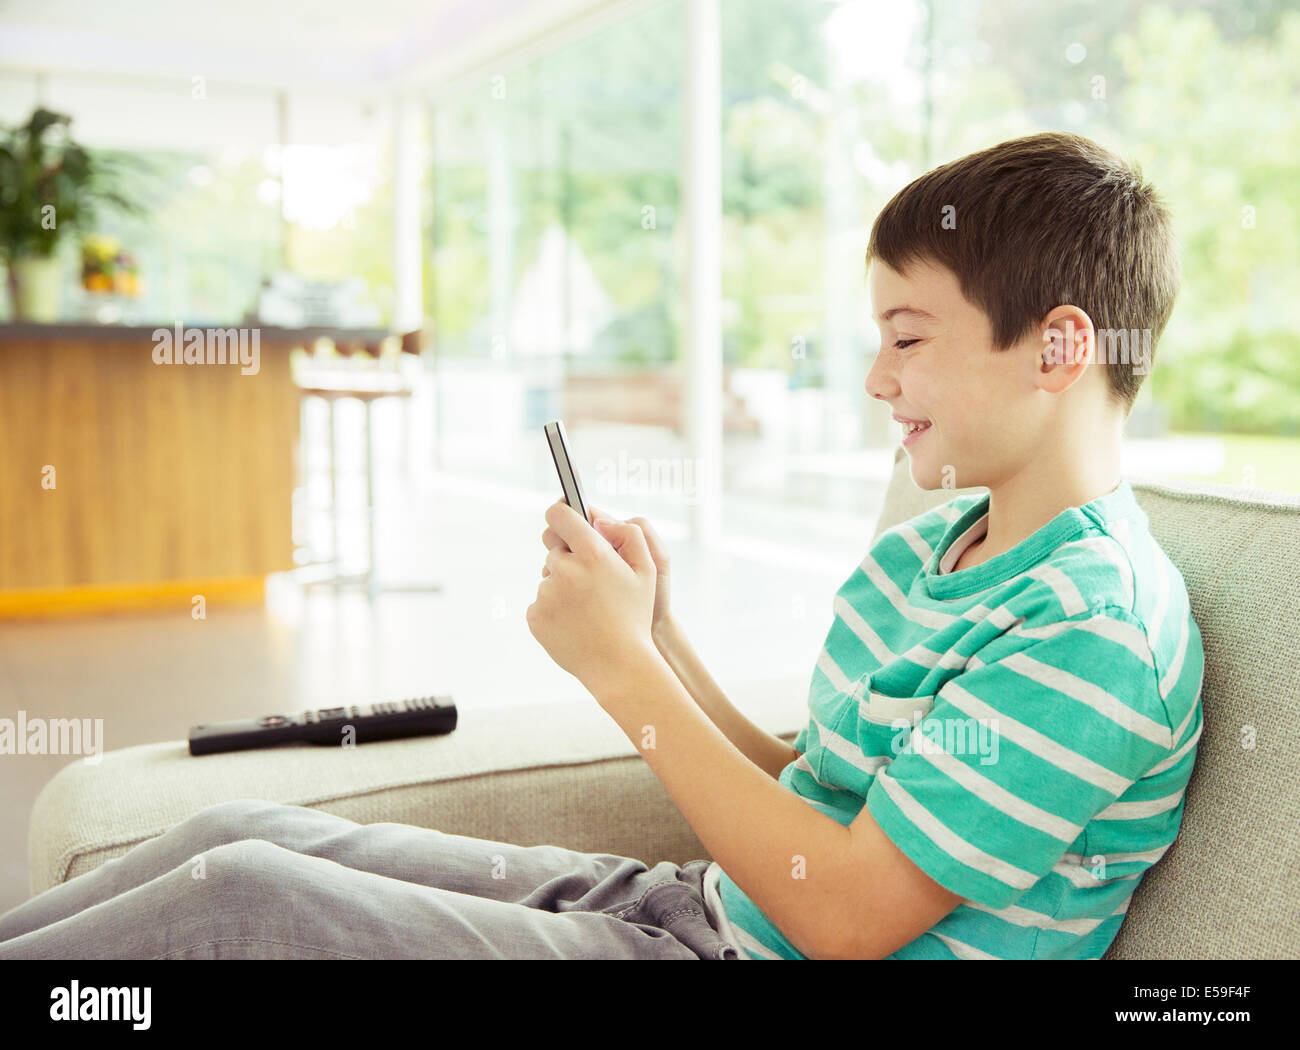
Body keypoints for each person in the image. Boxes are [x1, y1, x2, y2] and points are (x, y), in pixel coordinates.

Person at [0, 131, 1202, 960]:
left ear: (1056, 349)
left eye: (907, 337)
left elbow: (843, 919)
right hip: (698, 914)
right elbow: (817, 796)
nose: (877, 378)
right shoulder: (936, 546)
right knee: (238, 841)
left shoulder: (1091, 629)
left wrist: (618, 671)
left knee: (250, 909)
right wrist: (660, 633)